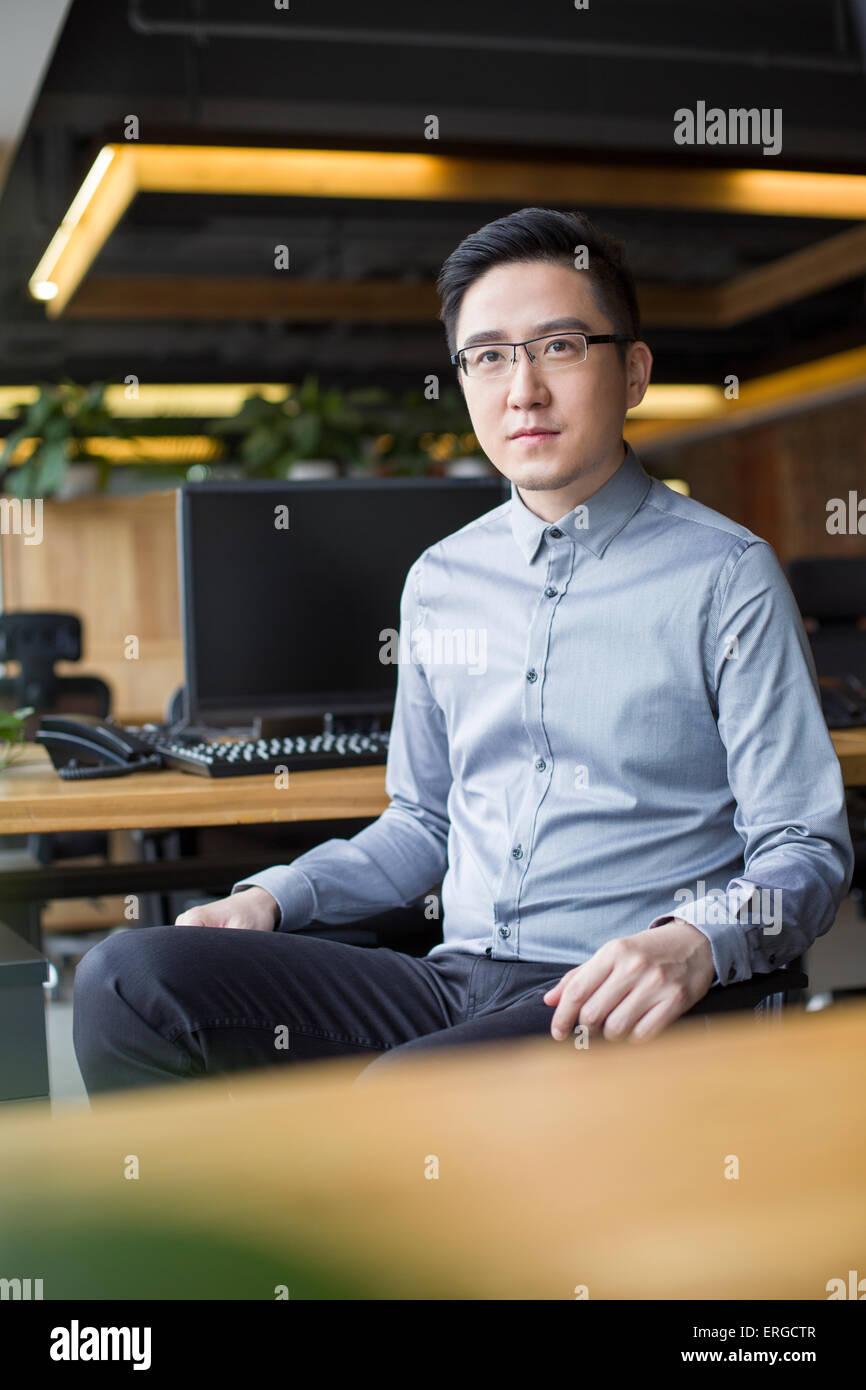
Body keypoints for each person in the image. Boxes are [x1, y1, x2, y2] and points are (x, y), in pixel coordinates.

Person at [73, 207, 853, 1095]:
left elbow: (805, 848)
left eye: (560, 345)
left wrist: (696, 943)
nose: (522, 388)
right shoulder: (441, 580)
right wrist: (274, 896)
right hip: (456, 981)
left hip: (621, 999)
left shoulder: (727, 575)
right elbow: (423, 824)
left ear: (633, 371)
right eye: (487, 356)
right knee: (128, 983)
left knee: (407, 1097)